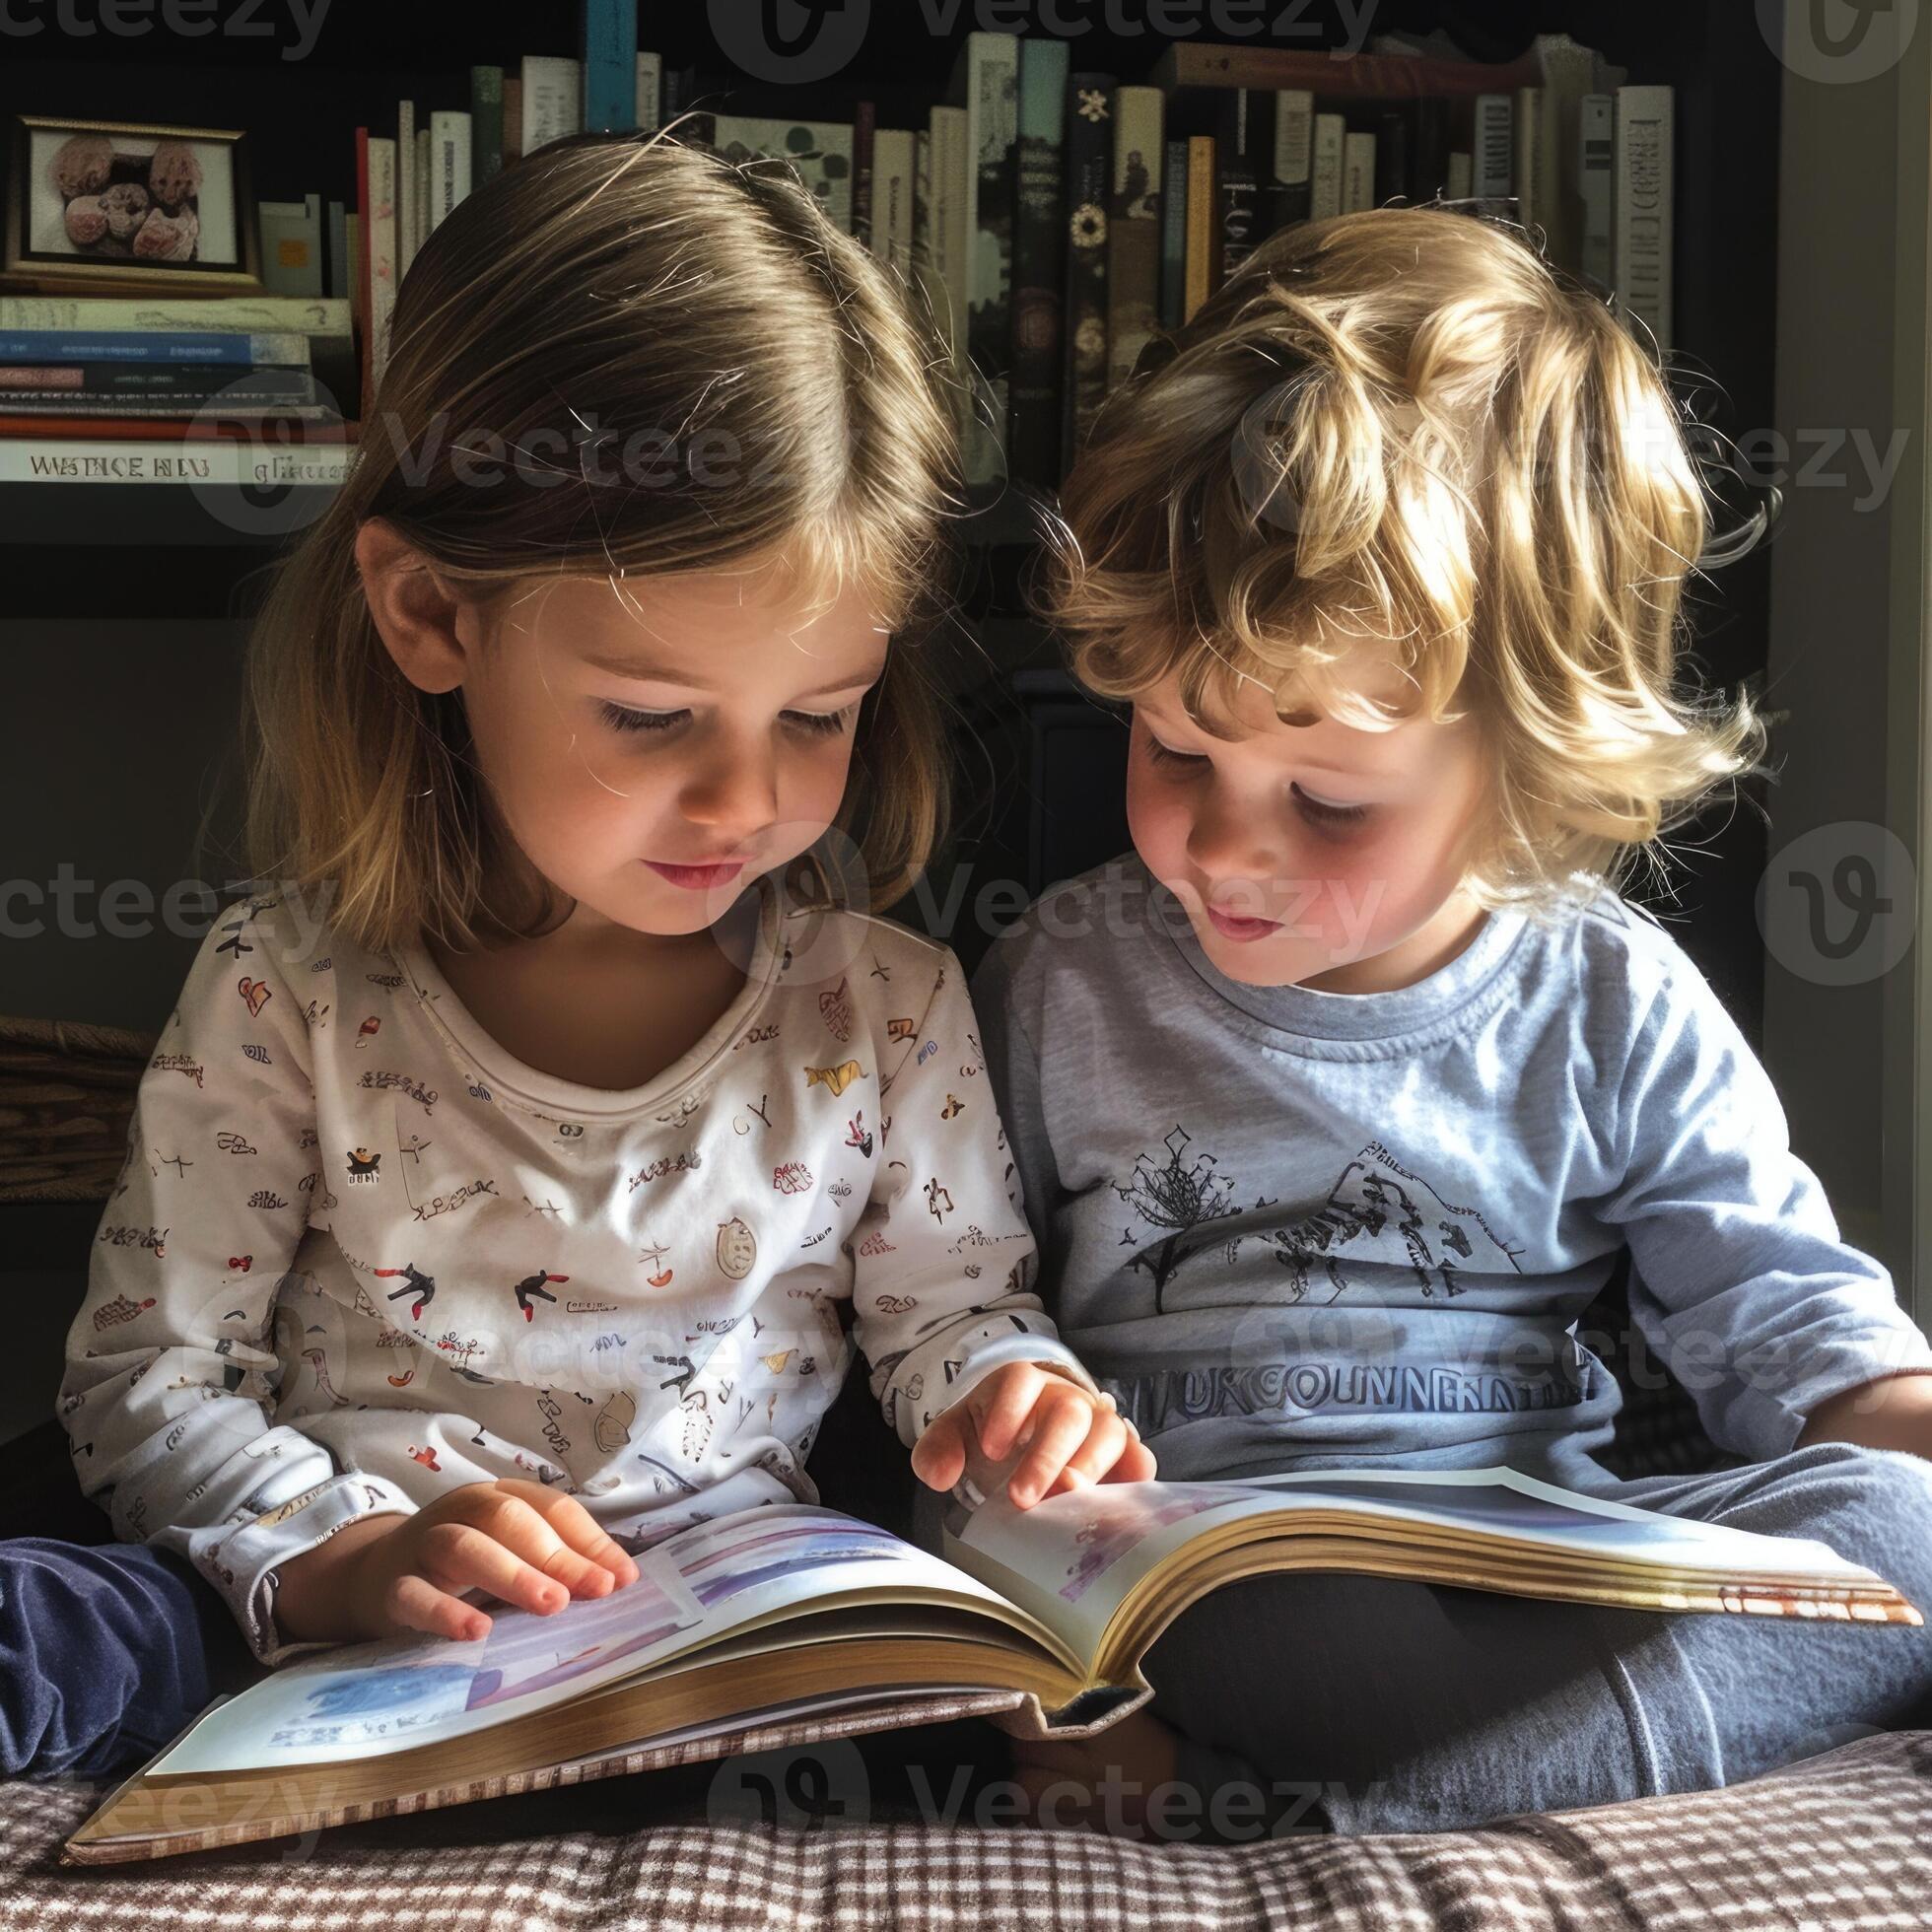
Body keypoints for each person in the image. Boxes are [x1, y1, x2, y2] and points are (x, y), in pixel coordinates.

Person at [8, 132, 1151, 1783]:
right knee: (58, 1627)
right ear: (432, 616)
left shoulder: (883, 1010)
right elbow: (150, 1377)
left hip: (721, 1640)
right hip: (344, 1620)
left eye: (816, 717)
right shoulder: (289, 988)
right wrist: (343, 1556)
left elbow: (953, 1322)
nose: (746, 800)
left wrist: (1013, 1396)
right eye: (649, 716)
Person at [971, 205, 1932, 1841]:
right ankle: (1443, 1778)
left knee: (1901, 1531)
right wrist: (1018, 1416)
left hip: (1538, 1564)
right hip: (1221, 1558)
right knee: (1264, 1621)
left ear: (1529, 768)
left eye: (1329, 800)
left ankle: (1333, 1796)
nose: (1223, 845)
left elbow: (1794, 1326)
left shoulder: (1611, 995)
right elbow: (957, 1298)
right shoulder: (1061, 978)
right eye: (1175, 750)